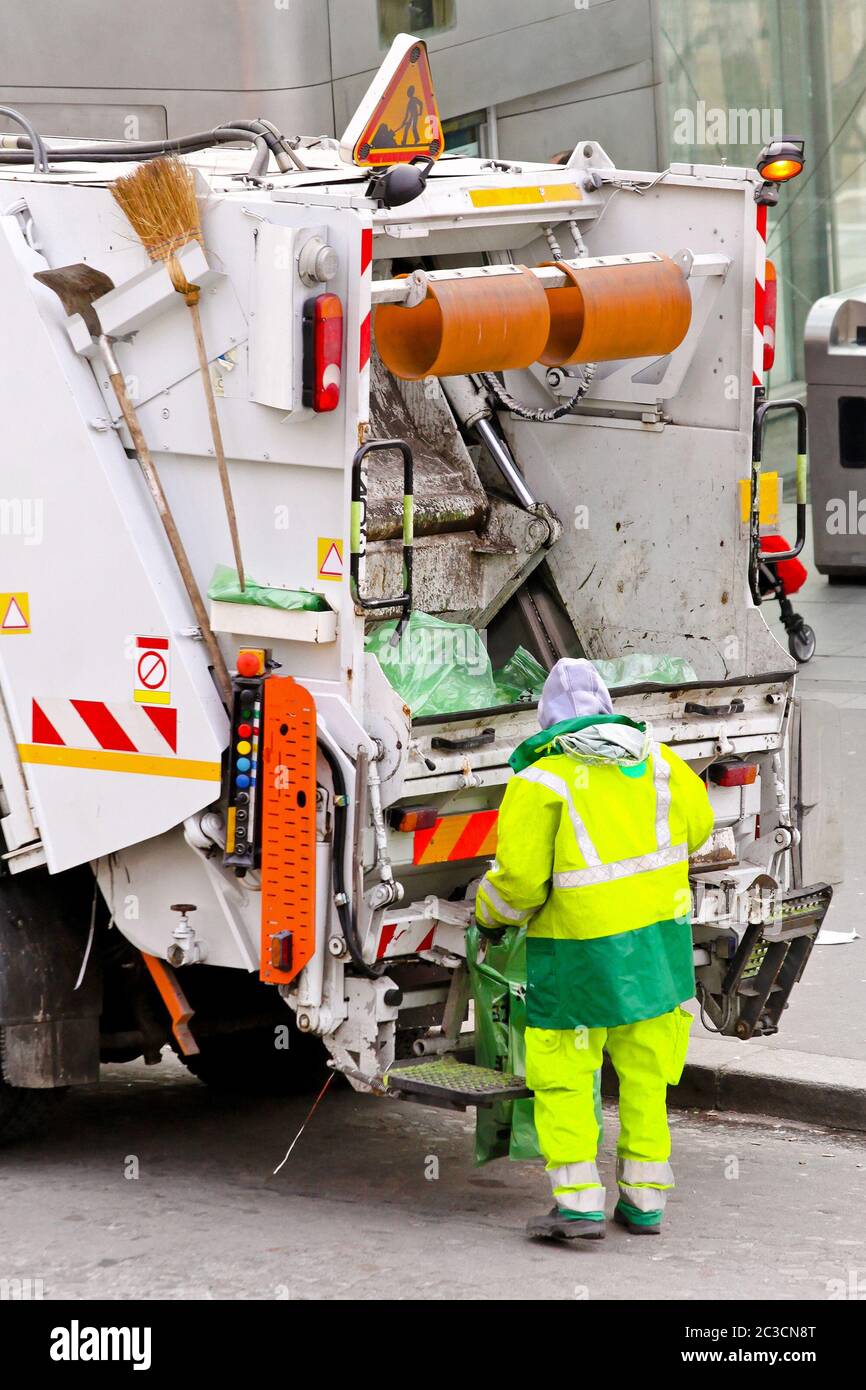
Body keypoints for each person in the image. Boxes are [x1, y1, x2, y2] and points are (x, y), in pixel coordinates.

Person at [475, 658, 713, 1240]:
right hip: (657, 947)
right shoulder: (659, 762)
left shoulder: (541, 782)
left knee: (567, 1073)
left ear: (547, 721)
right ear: (609, 707)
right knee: (646, 1076)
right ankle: (644, 1201)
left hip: (579, 953)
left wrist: (488, 916)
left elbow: (520, 884)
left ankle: (579, 1203)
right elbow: (699, 828)